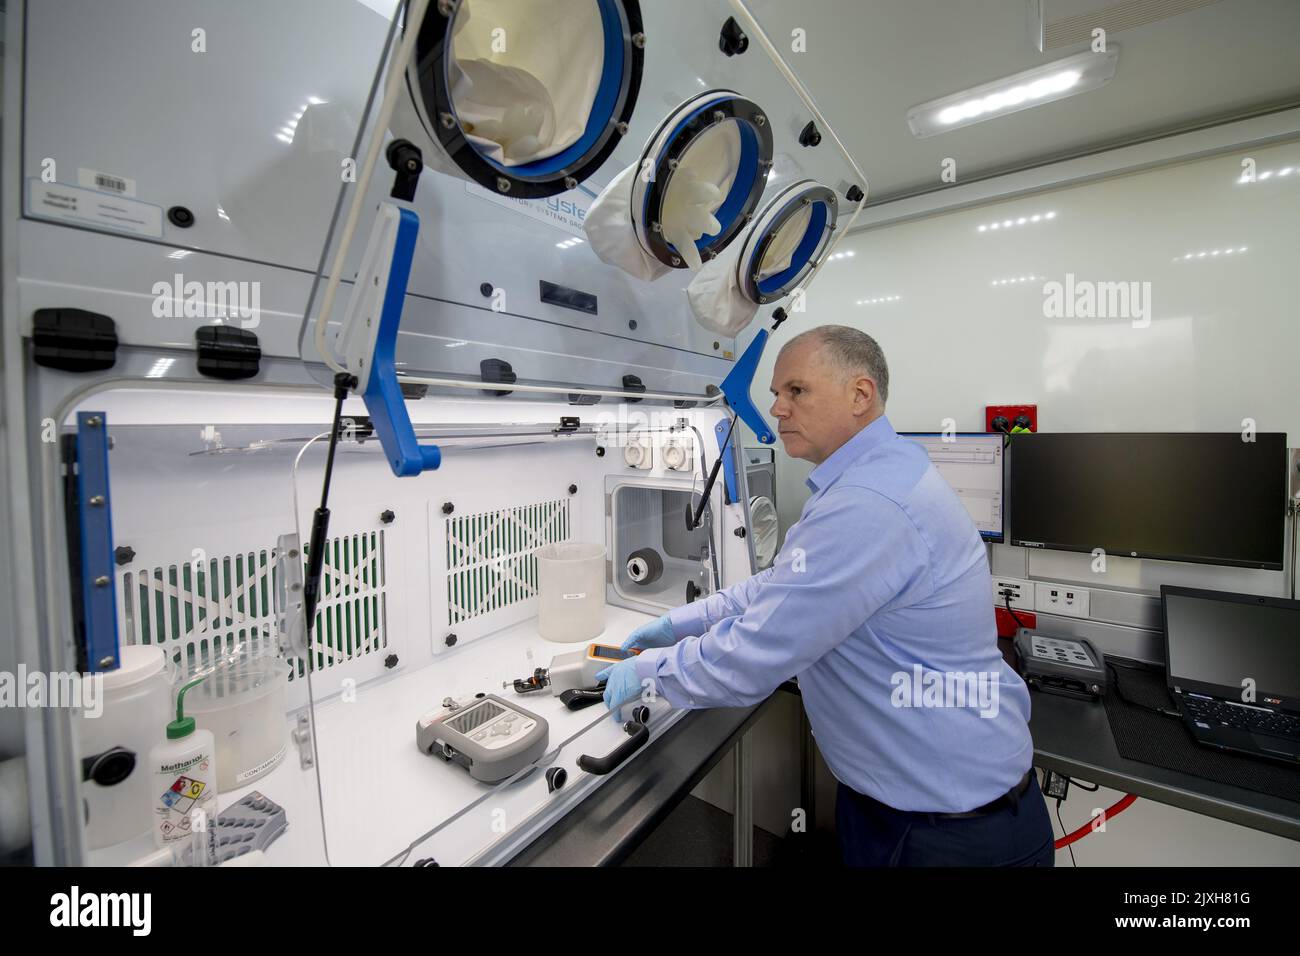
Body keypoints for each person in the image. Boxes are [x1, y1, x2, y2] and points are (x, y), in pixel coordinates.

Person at [596, 325, 1053, 866]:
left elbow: (754, 656)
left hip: (947, 835)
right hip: (914, 807)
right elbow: (782, 584)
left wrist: (652, 672)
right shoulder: (875, 474)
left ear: (860, 395)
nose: (777, 408)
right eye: (776, 393)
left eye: (796, 391)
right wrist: (682, 622)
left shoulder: (866, 502)